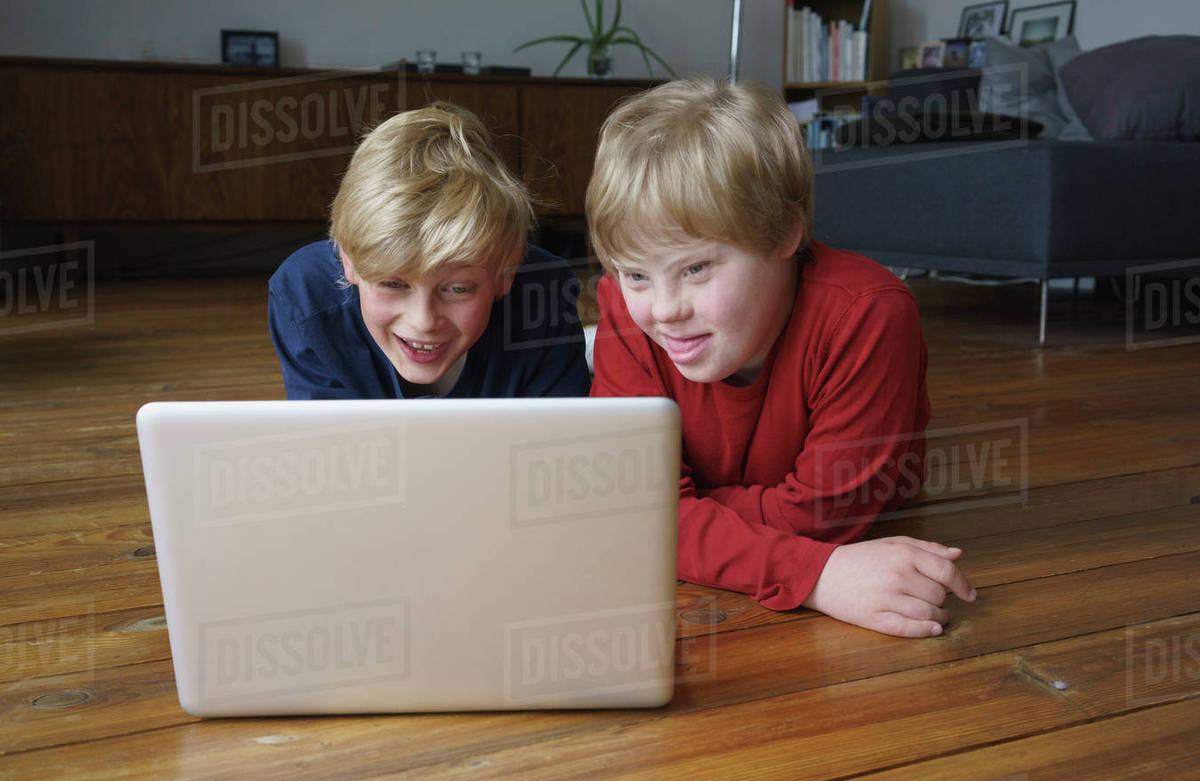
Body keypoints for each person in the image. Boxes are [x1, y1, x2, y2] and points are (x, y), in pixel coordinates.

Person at [586, 78, 975, 638]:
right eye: (636, 275)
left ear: (783, 234)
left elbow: (822, 518)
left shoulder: (868, 315)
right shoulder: (624, 309)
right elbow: (635, 515)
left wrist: (670, 512)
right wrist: (818, 577)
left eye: (696, 268)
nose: (664, 309)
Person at [269, 102, 590, 399]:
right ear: (348, 263)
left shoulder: (543, 291)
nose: (423, 322)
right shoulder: (304, 295)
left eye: (458, 289)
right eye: (393, 284)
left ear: (506, 275)